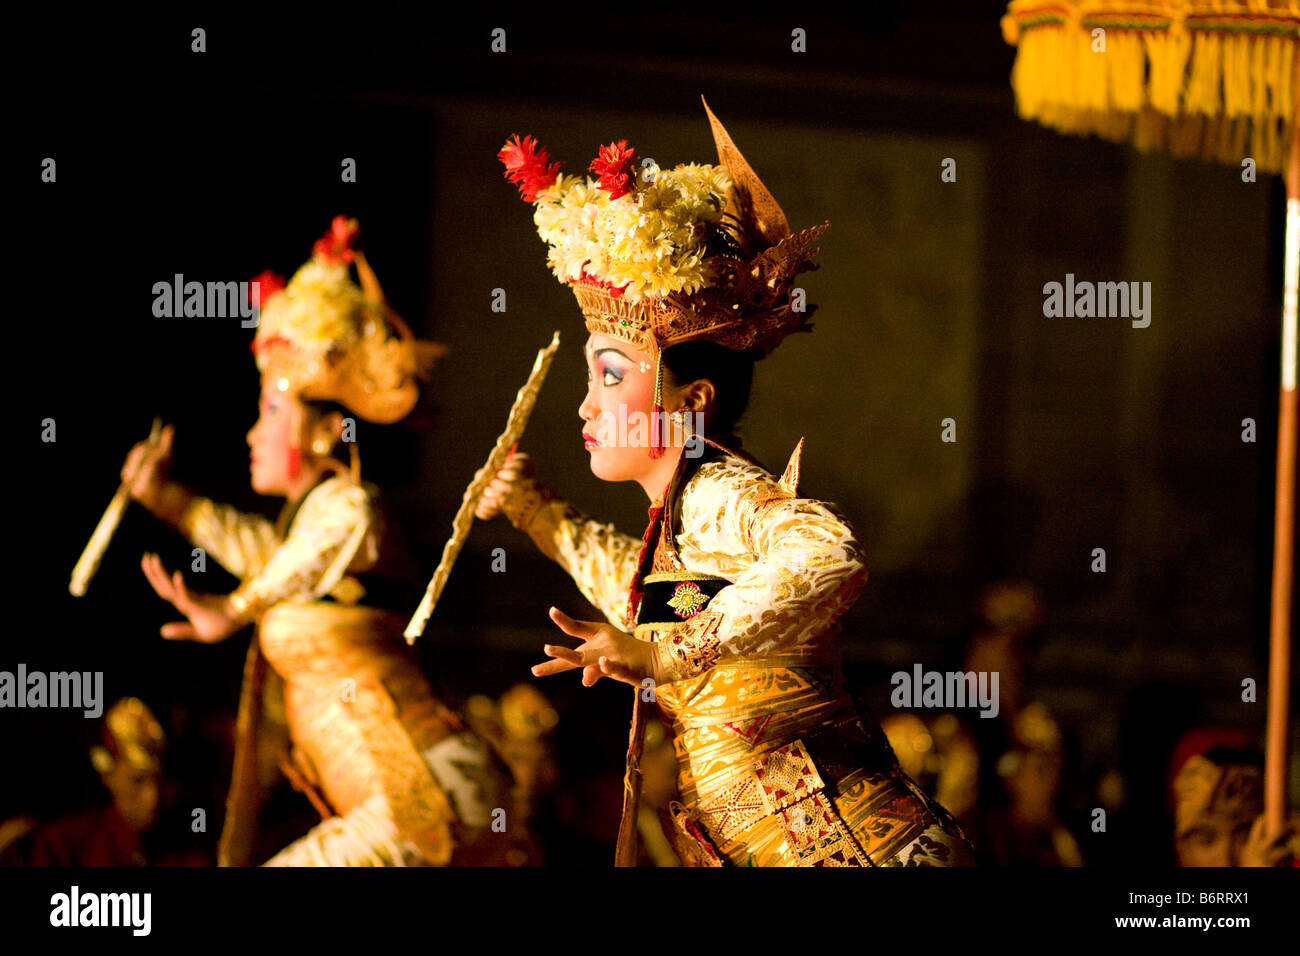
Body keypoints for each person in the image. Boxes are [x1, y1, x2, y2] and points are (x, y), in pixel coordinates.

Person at [477, 101, 975, 866]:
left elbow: (829, 556)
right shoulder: (685, 537)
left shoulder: (720, 492)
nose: (585, 404)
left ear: (693, 402)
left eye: (611, 377)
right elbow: (649, 599)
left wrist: (665, 661)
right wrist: (535, 512)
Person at [124, 217, 512, 866]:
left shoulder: (349, 509)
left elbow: (298, 564)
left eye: (270, 414)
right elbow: (268, 557)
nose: (252, 434)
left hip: (425, 788)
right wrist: (167, 500)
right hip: (407, 795)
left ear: (329, 432)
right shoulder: (300, 541)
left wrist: (235, 608)